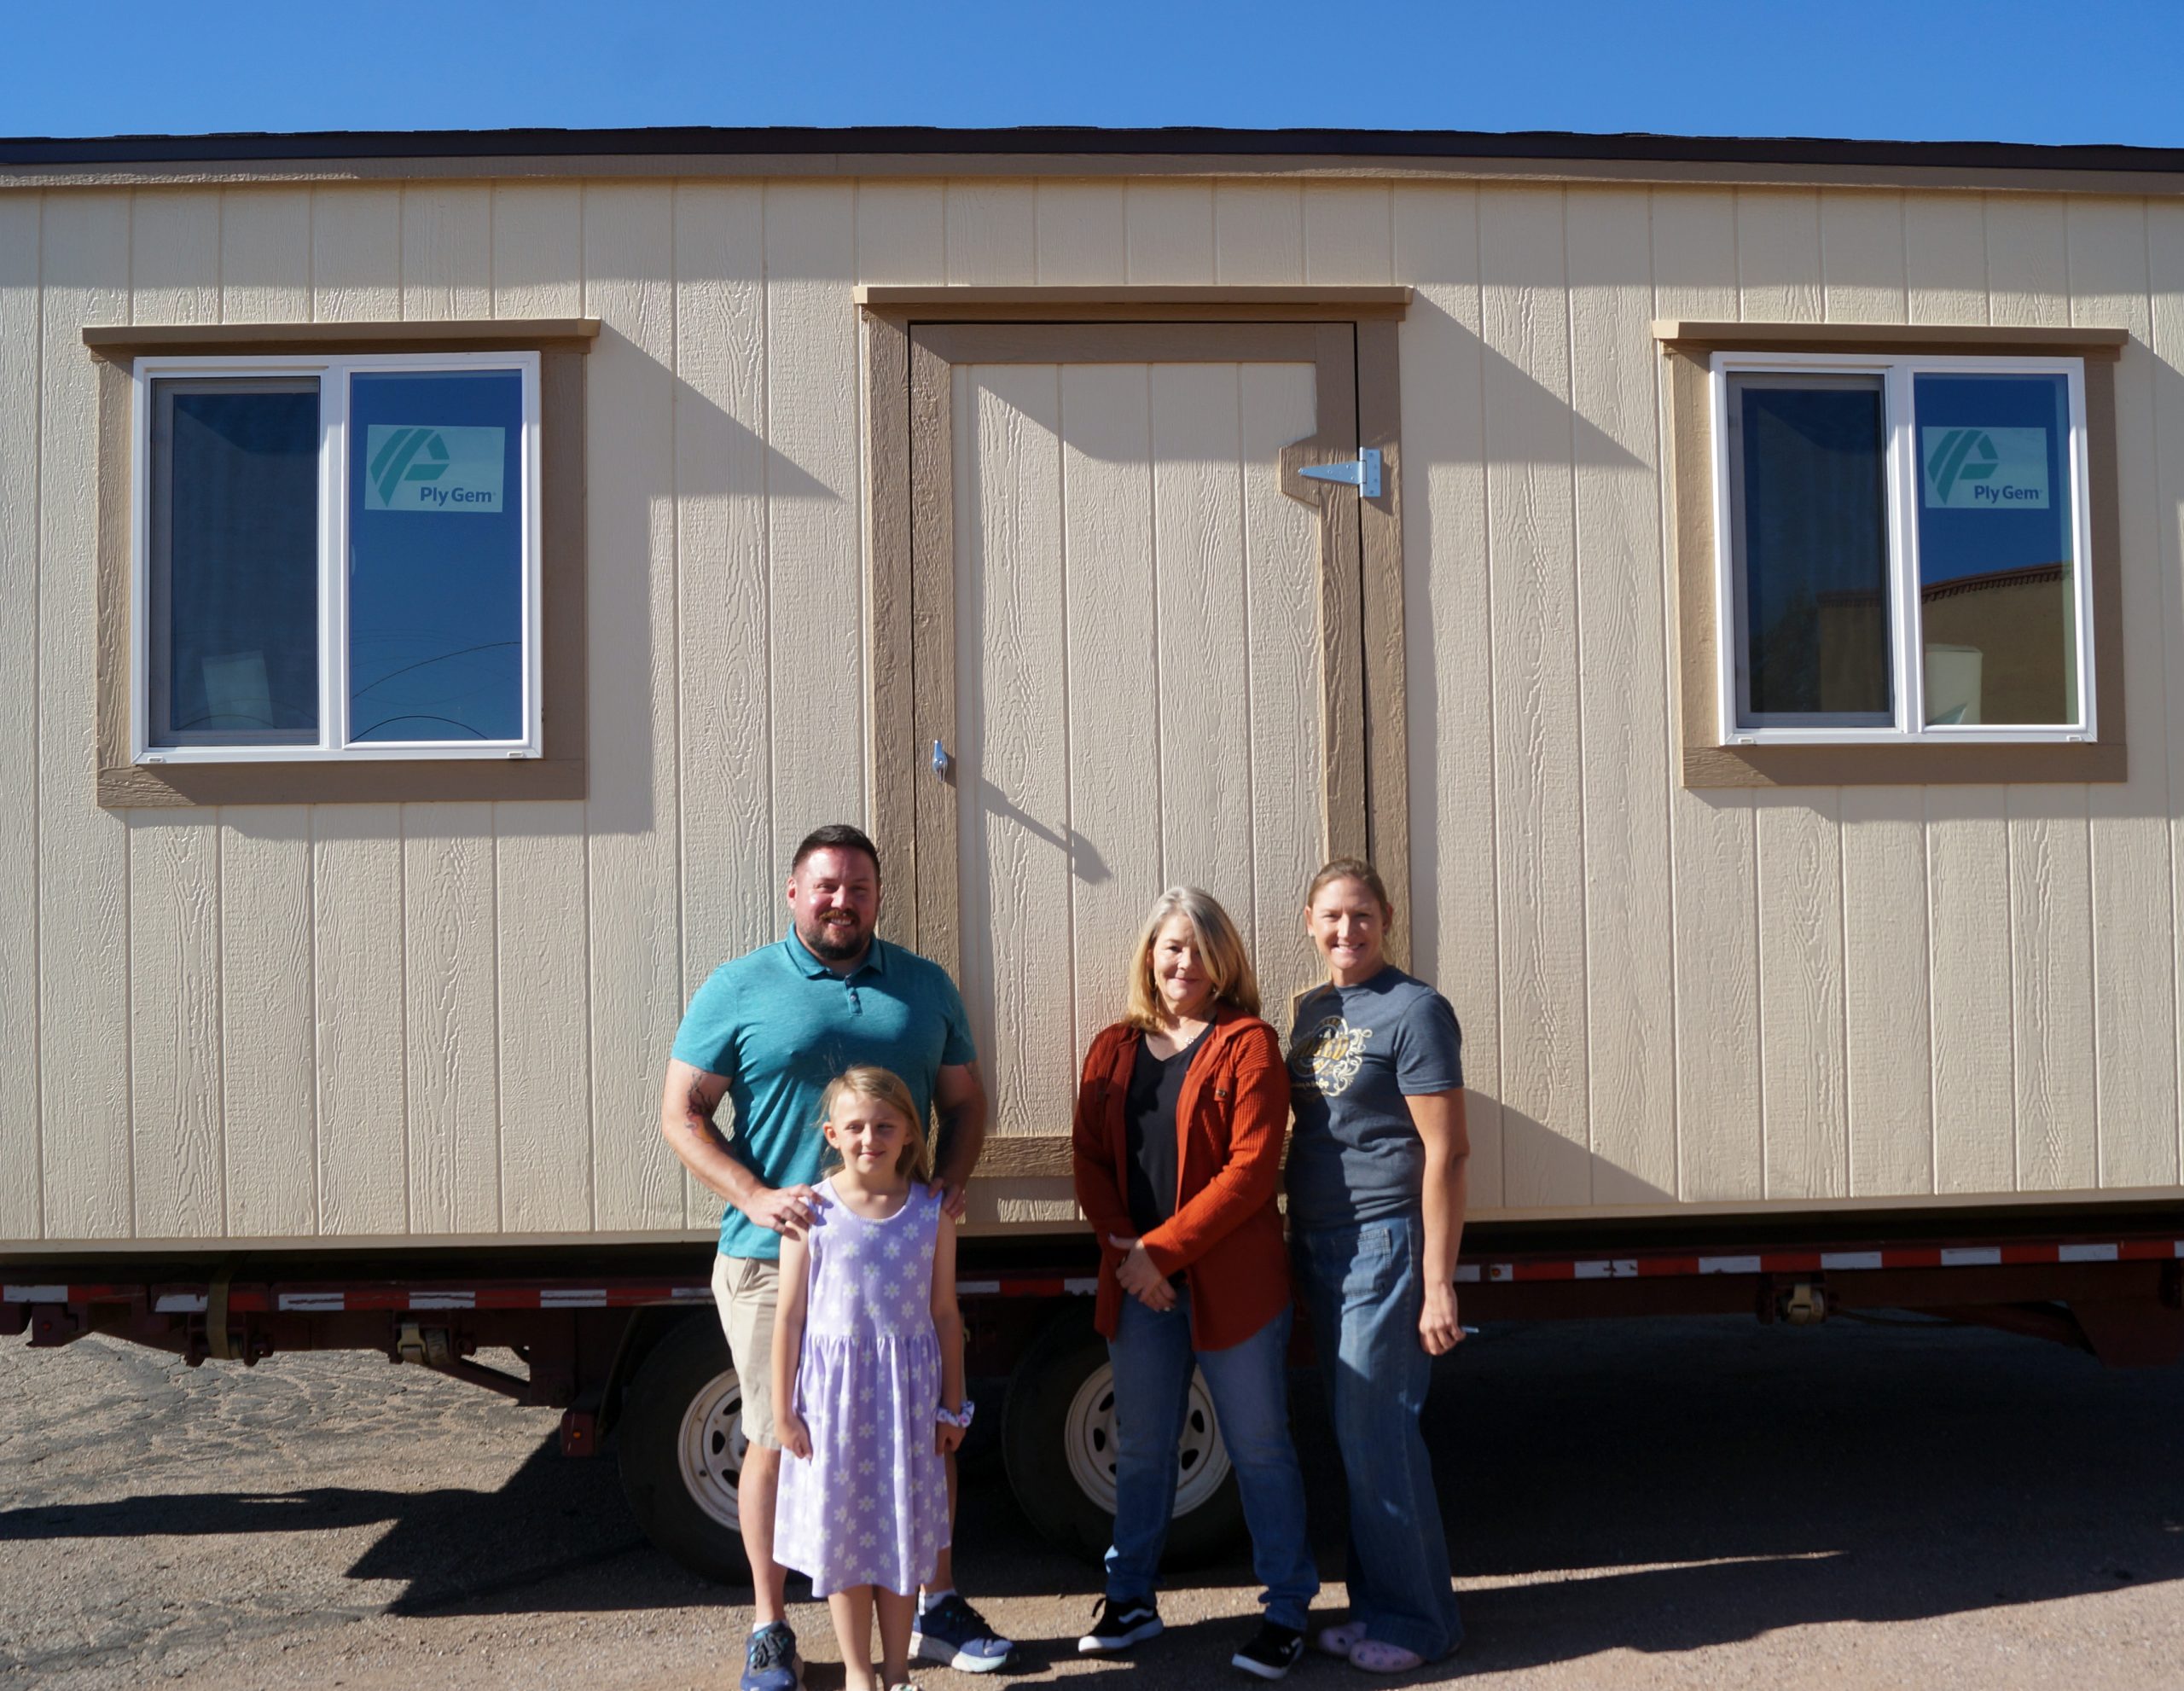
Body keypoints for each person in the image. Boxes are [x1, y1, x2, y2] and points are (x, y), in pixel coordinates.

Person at [659, 824, 1014, 1691]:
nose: (841, 900)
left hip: (894, 1250)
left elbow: (965, 1101)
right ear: (792, 893)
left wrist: (951, 1184)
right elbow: (681, 1112)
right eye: (824, 886)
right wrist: (752, 1195)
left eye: (857, 886)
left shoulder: (924, 987)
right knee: (780, 1434)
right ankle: (771, 1624)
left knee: (917, 1438)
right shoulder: (737, 985)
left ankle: (934, 1602)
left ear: (877, 896)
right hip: (775, 1258)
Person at [1070, 886, 1320, 1680]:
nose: (1185, 962)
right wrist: (1126, 1255)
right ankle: (1131, 1598)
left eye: (1201, 949)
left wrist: (1159, 1253)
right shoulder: (1113, 1046)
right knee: (1142, 1448)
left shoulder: (1249, 1043)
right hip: (1140, 1284)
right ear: (1151, 954)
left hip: (1231, 1286)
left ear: (1225, 962)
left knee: (1260, 1448)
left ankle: (1285, 1610)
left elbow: (1251, 1172)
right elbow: (1091, 1161)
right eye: (1172, 946)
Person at [1285, 858, 1468, 1672]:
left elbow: (1448, 1152)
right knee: (1357, 1441)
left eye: (1361, 916)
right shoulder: (1312, 1011)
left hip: (1385, 1243)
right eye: (1332, 917)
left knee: (1381, 1437)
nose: (1346, 931)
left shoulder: (1416, 1011)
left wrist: (1436, 1282)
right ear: (1309, 921)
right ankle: (1377, 1608)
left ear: (1385, 918)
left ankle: (1422, 1625)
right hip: (1319, 1243)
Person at [773, 1066, 968, 1691]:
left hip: (908, 1402)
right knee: (848, 1543)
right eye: (855, 1126)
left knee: (903, 1539)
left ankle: (898, 1672)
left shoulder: (930, 1212)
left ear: (910, 1132)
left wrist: (953, 1405)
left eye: (884, 1126)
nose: (869, 1139)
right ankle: (860, 1676)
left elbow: (943, 1311)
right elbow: (790, 1317)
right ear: (832, 1133)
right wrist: (783, 1409)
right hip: (836, 1407)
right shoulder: (812, 1212)